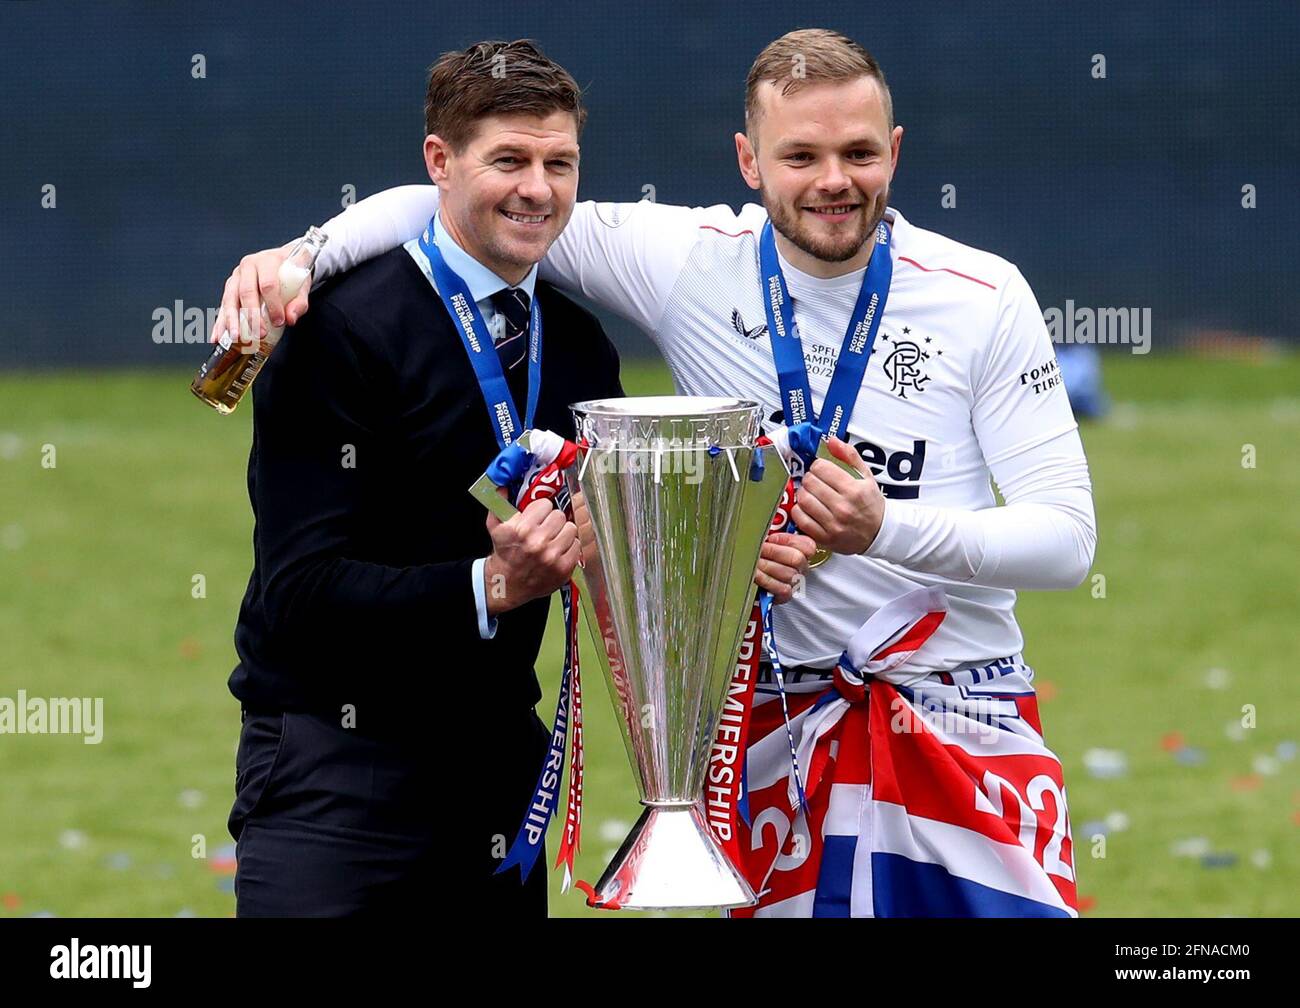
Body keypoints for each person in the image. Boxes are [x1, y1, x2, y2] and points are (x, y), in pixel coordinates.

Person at [216, 29, 1096, 917]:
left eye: (859, 152)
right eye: (802, 154)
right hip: (777, 731)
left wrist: (883, 530)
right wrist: (305, 255)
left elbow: (1066, 544)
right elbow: (458, 204)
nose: (835, 180)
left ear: (894, 153)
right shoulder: (685, 260)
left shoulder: (985, 293)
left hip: (954, 714)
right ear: (749, 160)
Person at [225, 39, 627, 918]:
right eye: (509, 160)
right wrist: (493, 584)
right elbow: (298, 594)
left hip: (497, 776)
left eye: (560, 163)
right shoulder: (338, 330)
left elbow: (605, 558)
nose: (538, 188)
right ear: (440, 163)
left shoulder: (582, 347)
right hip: (337, 776)